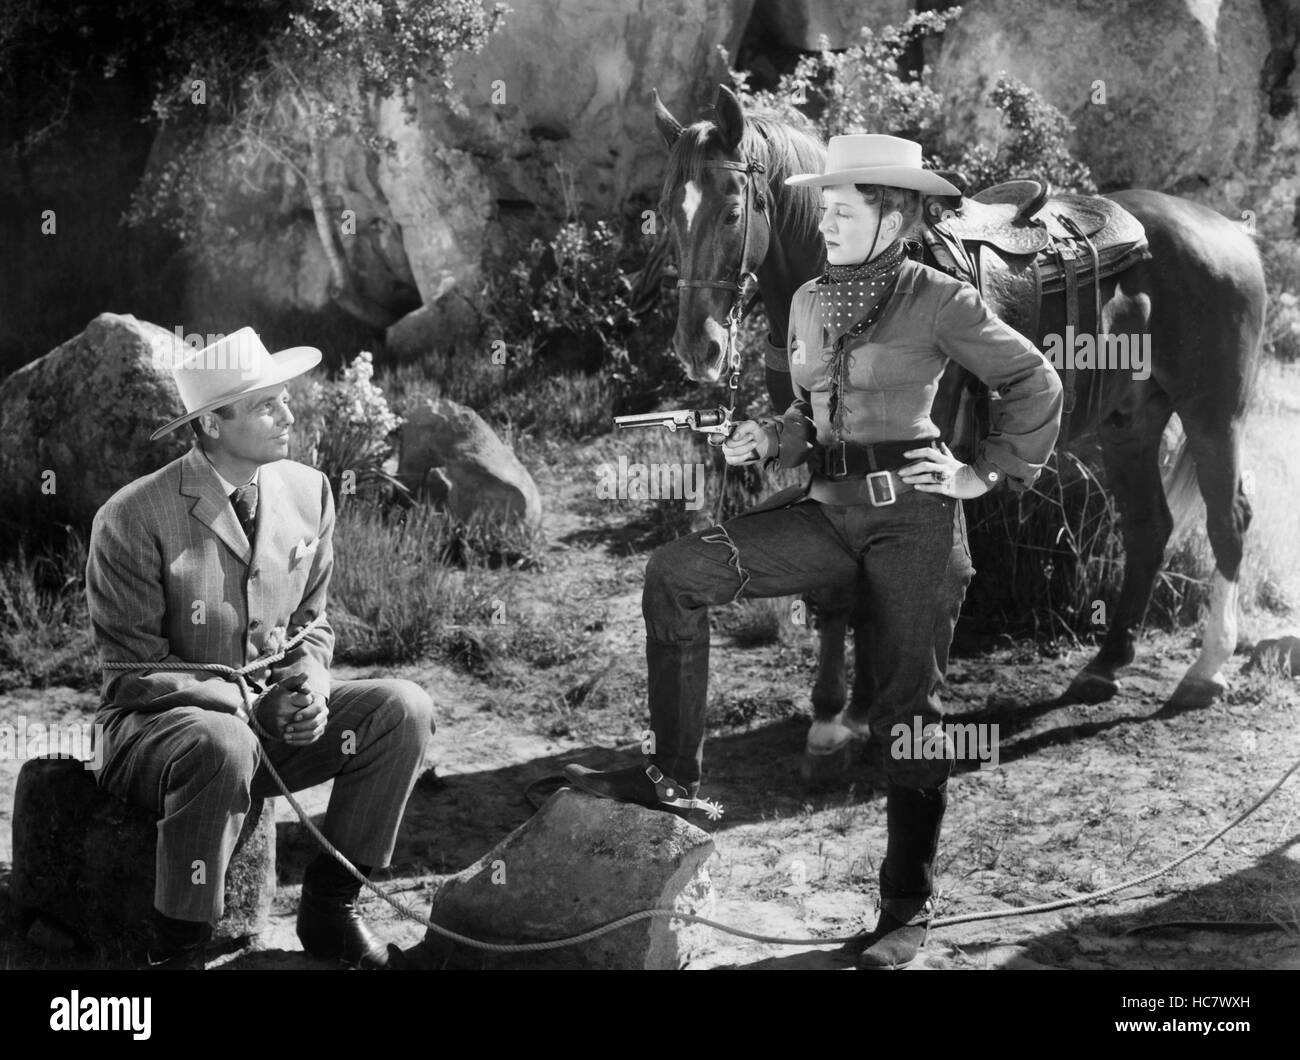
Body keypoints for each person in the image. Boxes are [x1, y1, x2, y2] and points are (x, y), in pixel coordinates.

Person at [567, 134, 1062, 968]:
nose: (826, 222)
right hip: (826, 516)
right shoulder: (805, 304)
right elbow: (811, 417)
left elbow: (1033, 380)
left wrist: (985, 473)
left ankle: (907, 904)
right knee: (677, 573)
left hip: (914, 521)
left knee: (912, 717)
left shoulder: (938, 298)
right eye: (824, 208)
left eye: (844, 209)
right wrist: (767, 437)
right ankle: (676, 781)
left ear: (895, 216)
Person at [85, 327, 435, 970]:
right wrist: (251, 708)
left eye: (284, 398)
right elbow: (132, 671)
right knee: (226, 743)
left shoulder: (309, 491)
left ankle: (332, 911)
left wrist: (310, 685)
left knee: (403, 708)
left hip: (266, 727)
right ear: (213, 423)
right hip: (156, 733)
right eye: (266, 405)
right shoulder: (132, 516)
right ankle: (180, 954)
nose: (289, 415)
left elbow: (313, 622)